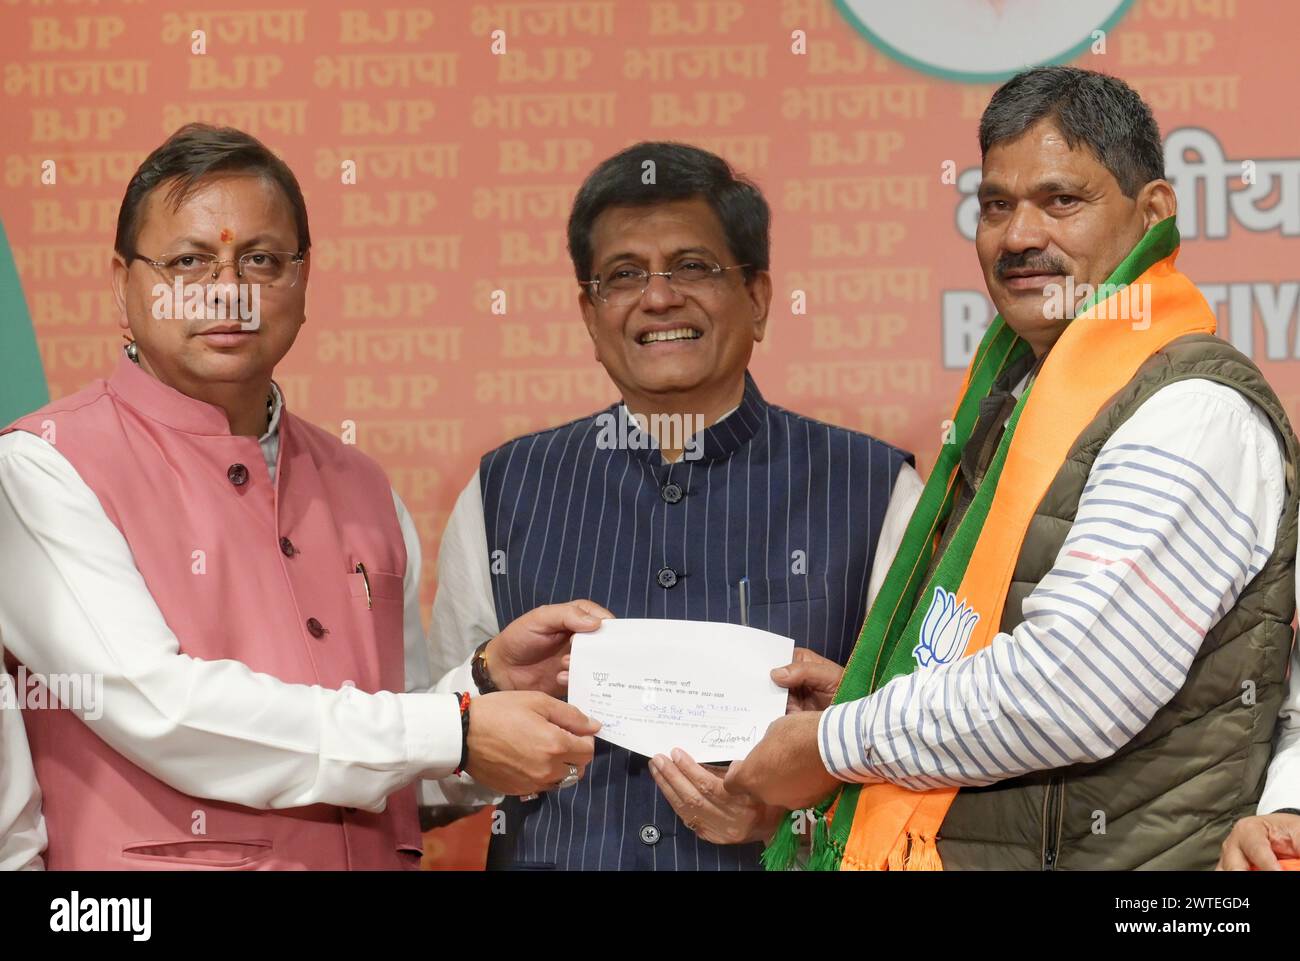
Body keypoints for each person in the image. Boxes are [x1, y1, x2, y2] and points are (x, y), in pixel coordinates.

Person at [726, 66, 1299, 871]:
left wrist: (833, 743)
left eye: (1062, 200)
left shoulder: (1189, 412)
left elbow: (1070, 689)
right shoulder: (1016, 393)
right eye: (996, 204)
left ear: (1154, 211)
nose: (1019, 236)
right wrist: (874, 695)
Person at [0, 123, 604, 870]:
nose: (228, 290)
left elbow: (400, 760)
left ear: (304, 281)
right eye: (189, 261)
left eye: (260, 259)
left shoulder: (360, 485)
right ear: (123, 287)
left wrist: (483, 685)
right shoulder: (44, 468)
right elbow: (161, 709)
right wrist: (455, 726)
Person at [428, 142, 923, 870]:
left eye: (692, 267)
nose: (658, 298)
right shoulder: (503, 491)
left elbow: (936, 756)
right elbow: (435, 770)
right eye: (624, 275)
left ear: (757, 297)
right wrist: (484, 698)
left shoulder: (878, 490)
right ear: (591, 315)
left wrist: (797, 813)